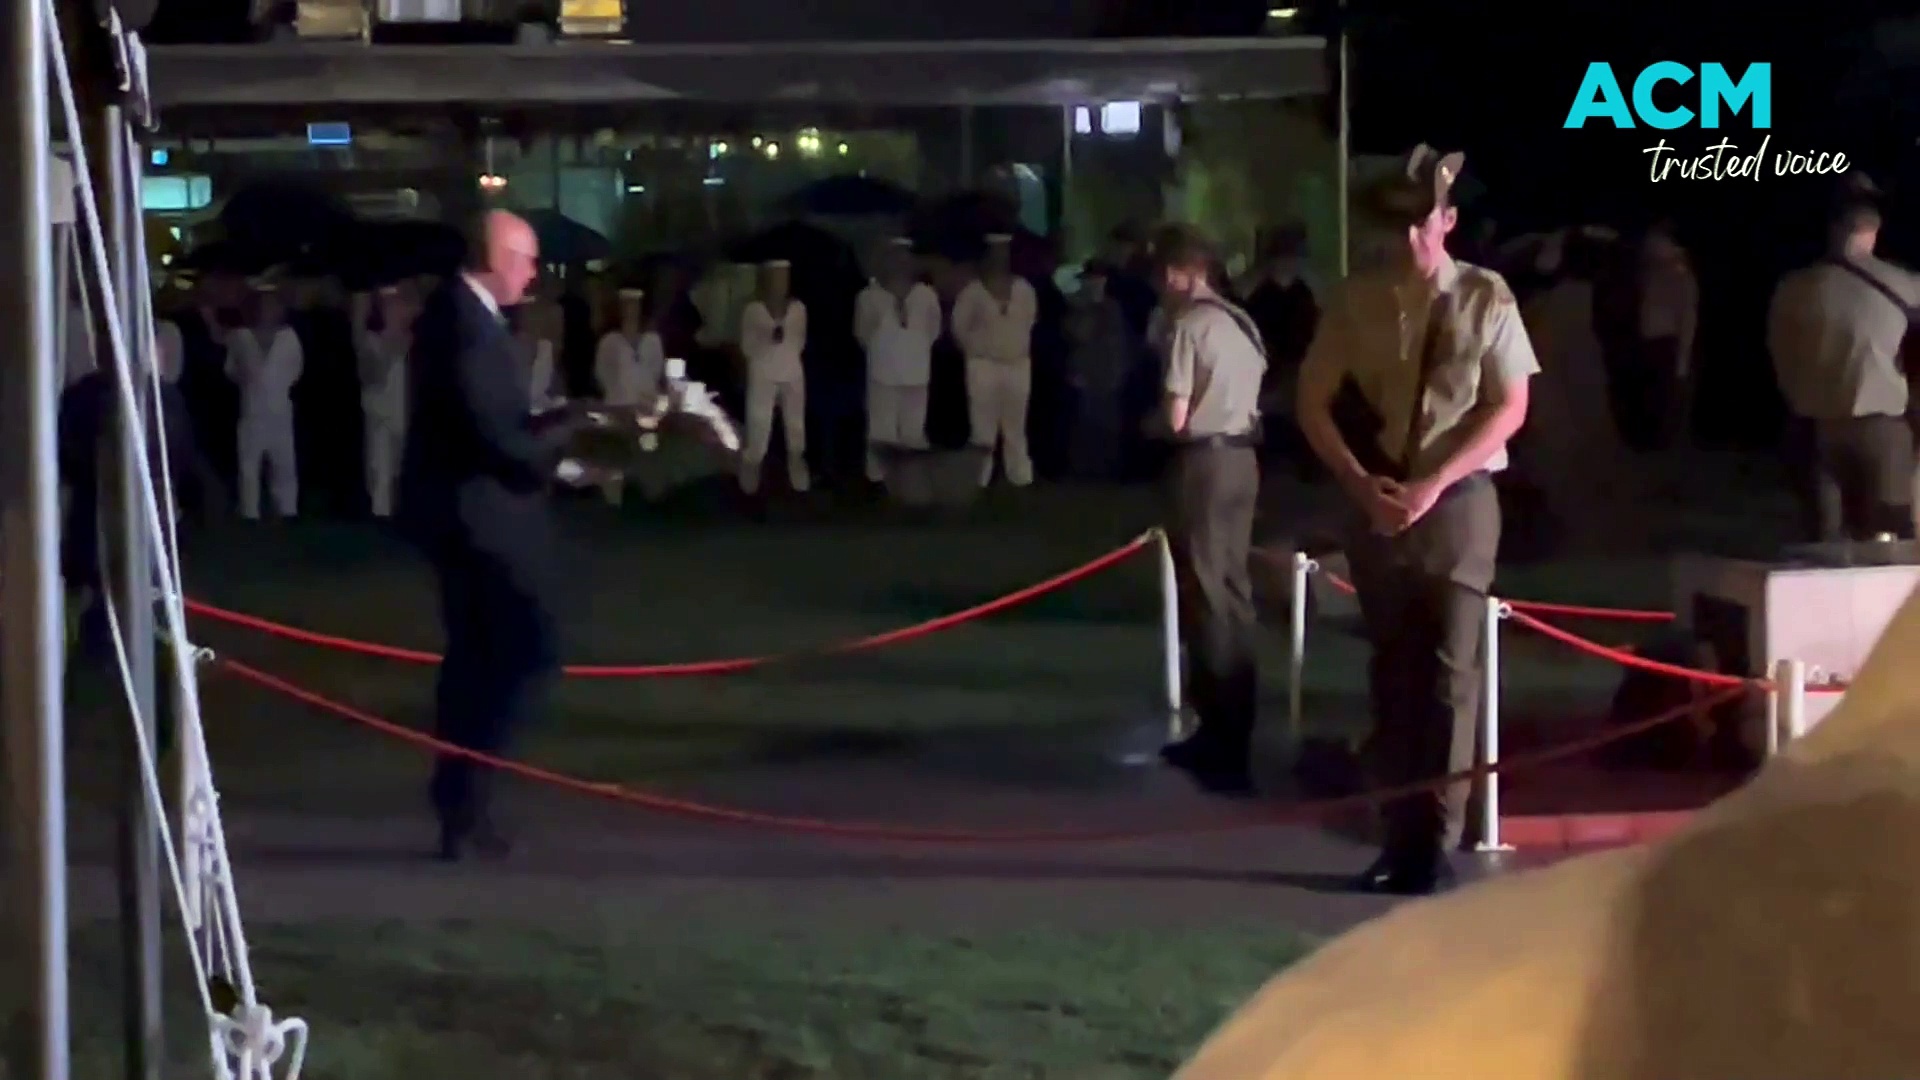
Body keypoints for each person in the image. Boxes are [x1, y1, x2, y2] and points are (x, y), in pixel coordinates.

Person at [1295, 144, 1538, 895]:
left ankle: (1433, 844)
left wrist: (1435, 482)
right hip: (1379, 504)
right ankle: (1399, 839)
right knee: (1392, 675)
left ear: (1449, 221)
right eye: (1397, 226)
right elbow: (1312, 399)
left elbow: (1510, 406)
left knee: (1450, 678)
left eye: (1423, 224)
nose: (1409, 240)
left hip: (1458, 505)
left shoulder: (1485, 296)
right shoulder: (1356, 298)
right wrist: (1360, 482)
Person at [397, 209, 611, 861]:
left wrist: (567, 433)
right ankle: (466, 799)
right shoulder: (463, 324)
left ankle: (465, 804)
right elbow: (498, 437)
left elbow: (502, 421)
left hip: (474, 515)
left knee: (482, 661)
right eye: (525, 259)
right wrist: (575, 433)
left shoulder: (467, 318)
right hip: (479, 522)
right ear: (493, 256)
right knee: (521, 652)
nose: (533, 273)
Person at [1150, 226, 1268, 795]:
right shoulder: (1242, 324)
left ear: (1182, 273)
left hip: (1202, 461)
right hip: (1244, 457)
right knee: (1233, 590)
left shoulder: (1189, 326)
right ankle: (1232, 723)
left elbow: (1175, 416)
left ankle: (1221, 735)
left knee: (1206, 593)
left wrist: (1149, 425)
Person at [1768, 192, 1920, 541]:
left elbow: (1780, 353)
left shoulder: (1794, 287)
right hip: (1883, 423)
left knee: (1824, 542)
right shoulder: (1905, 285)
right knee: (1886, 538)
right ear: (1873, 232)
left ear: (1833, 232)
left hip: (1815, 427)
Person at [1519, 230, 1641, 551]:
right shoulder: (1562, 304)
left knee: (1578, 472)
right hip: (1562, 401)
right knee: (1568, 473)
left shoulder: (1562, 303)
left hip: (1571, 399)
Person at [953, 234, 1038, 487]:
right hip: (984, 365)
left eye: (1004, 253)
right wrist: (978, 350)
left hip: (1017, 364)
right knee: (982, 426)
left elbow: (1029, 321)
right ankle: (980, 479)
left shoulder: (1023, 289)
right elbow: (959, 327)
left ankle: (1020, 477)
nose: (1000, 259)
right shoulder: (973, 292)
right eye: (995, 253)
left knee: (1015, 427)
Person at [855, 237, 941, 482]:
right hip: (883, 374)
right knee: (882, 430)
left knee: (913, 430)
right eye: (894, 257)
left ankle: (911, 478)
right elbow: (862, 333)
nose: (900, 264)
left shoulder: (925, 295)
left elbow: (933, 329)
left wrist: (915, 348)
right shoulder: (869, 297)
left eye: (905, 258)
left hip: (916, 373)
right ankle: (879, 480)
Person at [223, 282, 303, 521]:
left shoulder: (288, 337)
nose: (267, 310)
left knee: (284, 462)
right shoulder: (240, 337)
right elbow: (231, 369)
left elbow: (296, 369)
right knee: (248, 464)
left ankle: (287, 508)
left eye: (272, 305)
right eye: (263, 305)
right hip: (251, 409)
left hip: (280, 409)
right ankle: (250, 510)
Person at [738, 259, 810, 494]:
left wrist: (785, 352)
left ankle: (796, 463)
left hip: (791, 371)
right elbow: (747, 345)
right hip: (763, 371)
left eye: (784, 278)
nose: (781, 283)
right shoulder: (753, 310)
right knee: (759, 422)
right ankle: (752, 465)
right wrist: (766, 342)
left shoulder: (798, 308)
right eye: (776, 277)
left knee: (795, 423)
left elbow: (799, 340)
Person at [594, 287, 664, 505]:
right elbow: (602, 374)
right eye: (627, 305)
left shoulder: (653, 340)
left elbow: (657, 372)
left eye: (635, 305)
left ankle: (651, 488)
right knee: (621, 438)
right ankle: (616, 489)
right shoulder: (609, 341)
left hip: (647, 404)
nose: (631, 310)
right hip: (618, 405)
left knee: (650, 436)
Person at [1063, 260, 1133, 479]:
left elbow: (1119, 344)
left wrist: (1119, 372)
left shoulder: (1112, 308)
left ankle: (1106, 471)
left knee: (1107, 426)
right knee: (1086, 425)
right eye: (1091, 280)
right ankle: (1085, 471)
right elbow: (1077, 334)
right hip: (1085, 376)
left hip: (1107, 376)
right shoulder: (1077, 306)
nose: (1095, 284)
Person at [355, 285, 414, 519]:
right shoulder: (372, 341)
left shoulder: (412, 339)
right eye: (391, 306)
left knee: (400, 464)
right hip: (380, 412)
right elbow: (371, 376)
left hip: (404, 412)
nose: (398, 311)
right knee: (380, 465)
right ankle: (381, 513)